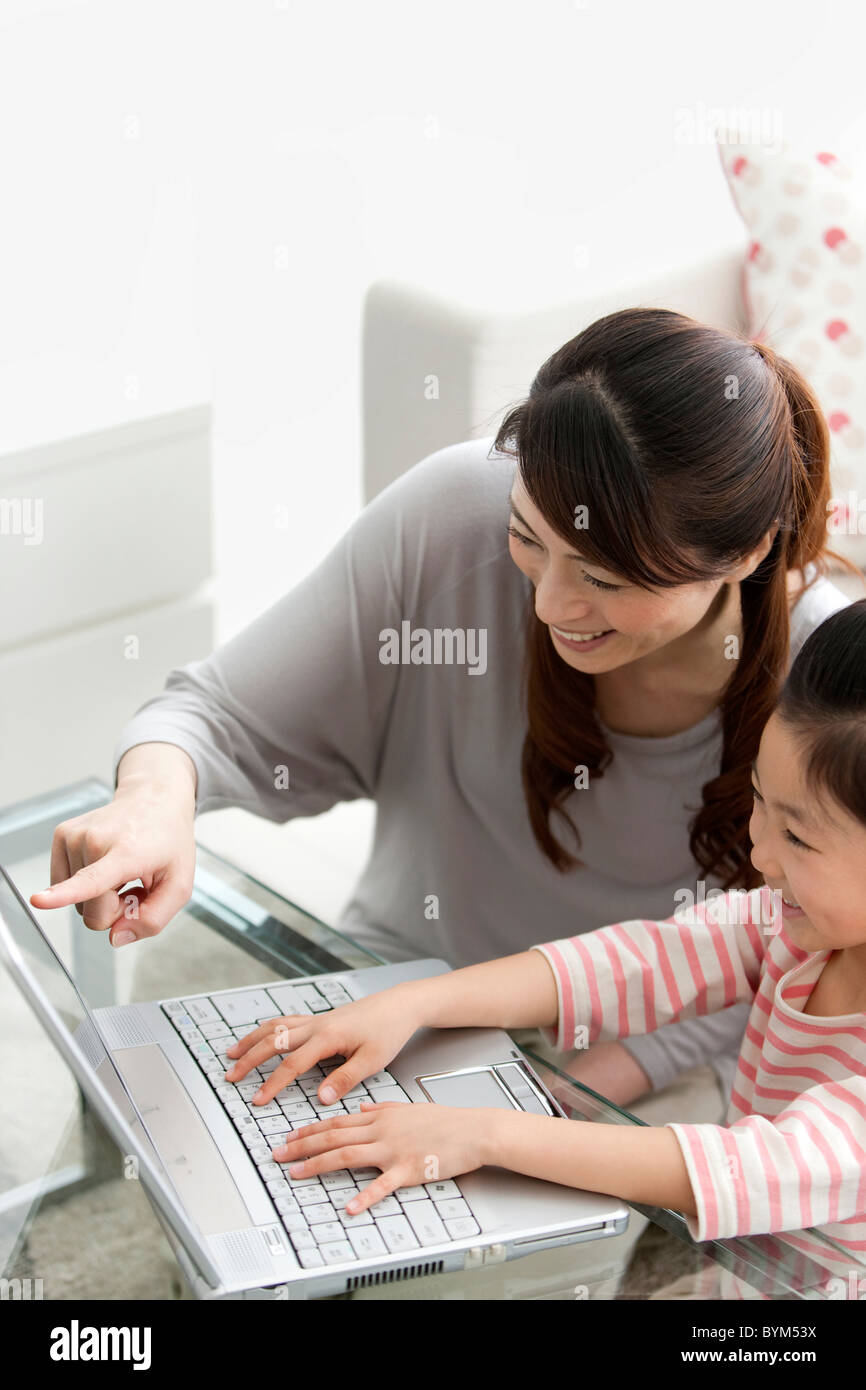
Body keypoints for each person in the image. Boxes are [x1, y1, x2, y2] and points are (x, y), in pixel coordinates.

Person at [31, 307, 861, 1121]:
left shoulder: (828, 695)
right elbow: (215, 716)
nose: (550, 605)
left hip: (659, 1069)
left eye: (605, 579)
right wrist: (152, 805)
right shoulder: (455, 512)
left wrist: (585, 1089)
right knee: (182, 1129)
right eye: (527, 538)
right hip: (393, 986)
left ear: (748, 551)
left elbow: (793, 946)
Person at [222, 601, 866, 1299]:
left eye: (798, 838)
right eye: (759, 800)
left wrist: (484, 1136)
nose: (759, 852)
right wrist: (413, 1002)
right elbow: (636, 963)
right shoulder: (789, 926)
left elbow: (745, 1169)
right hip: (759, 1274)